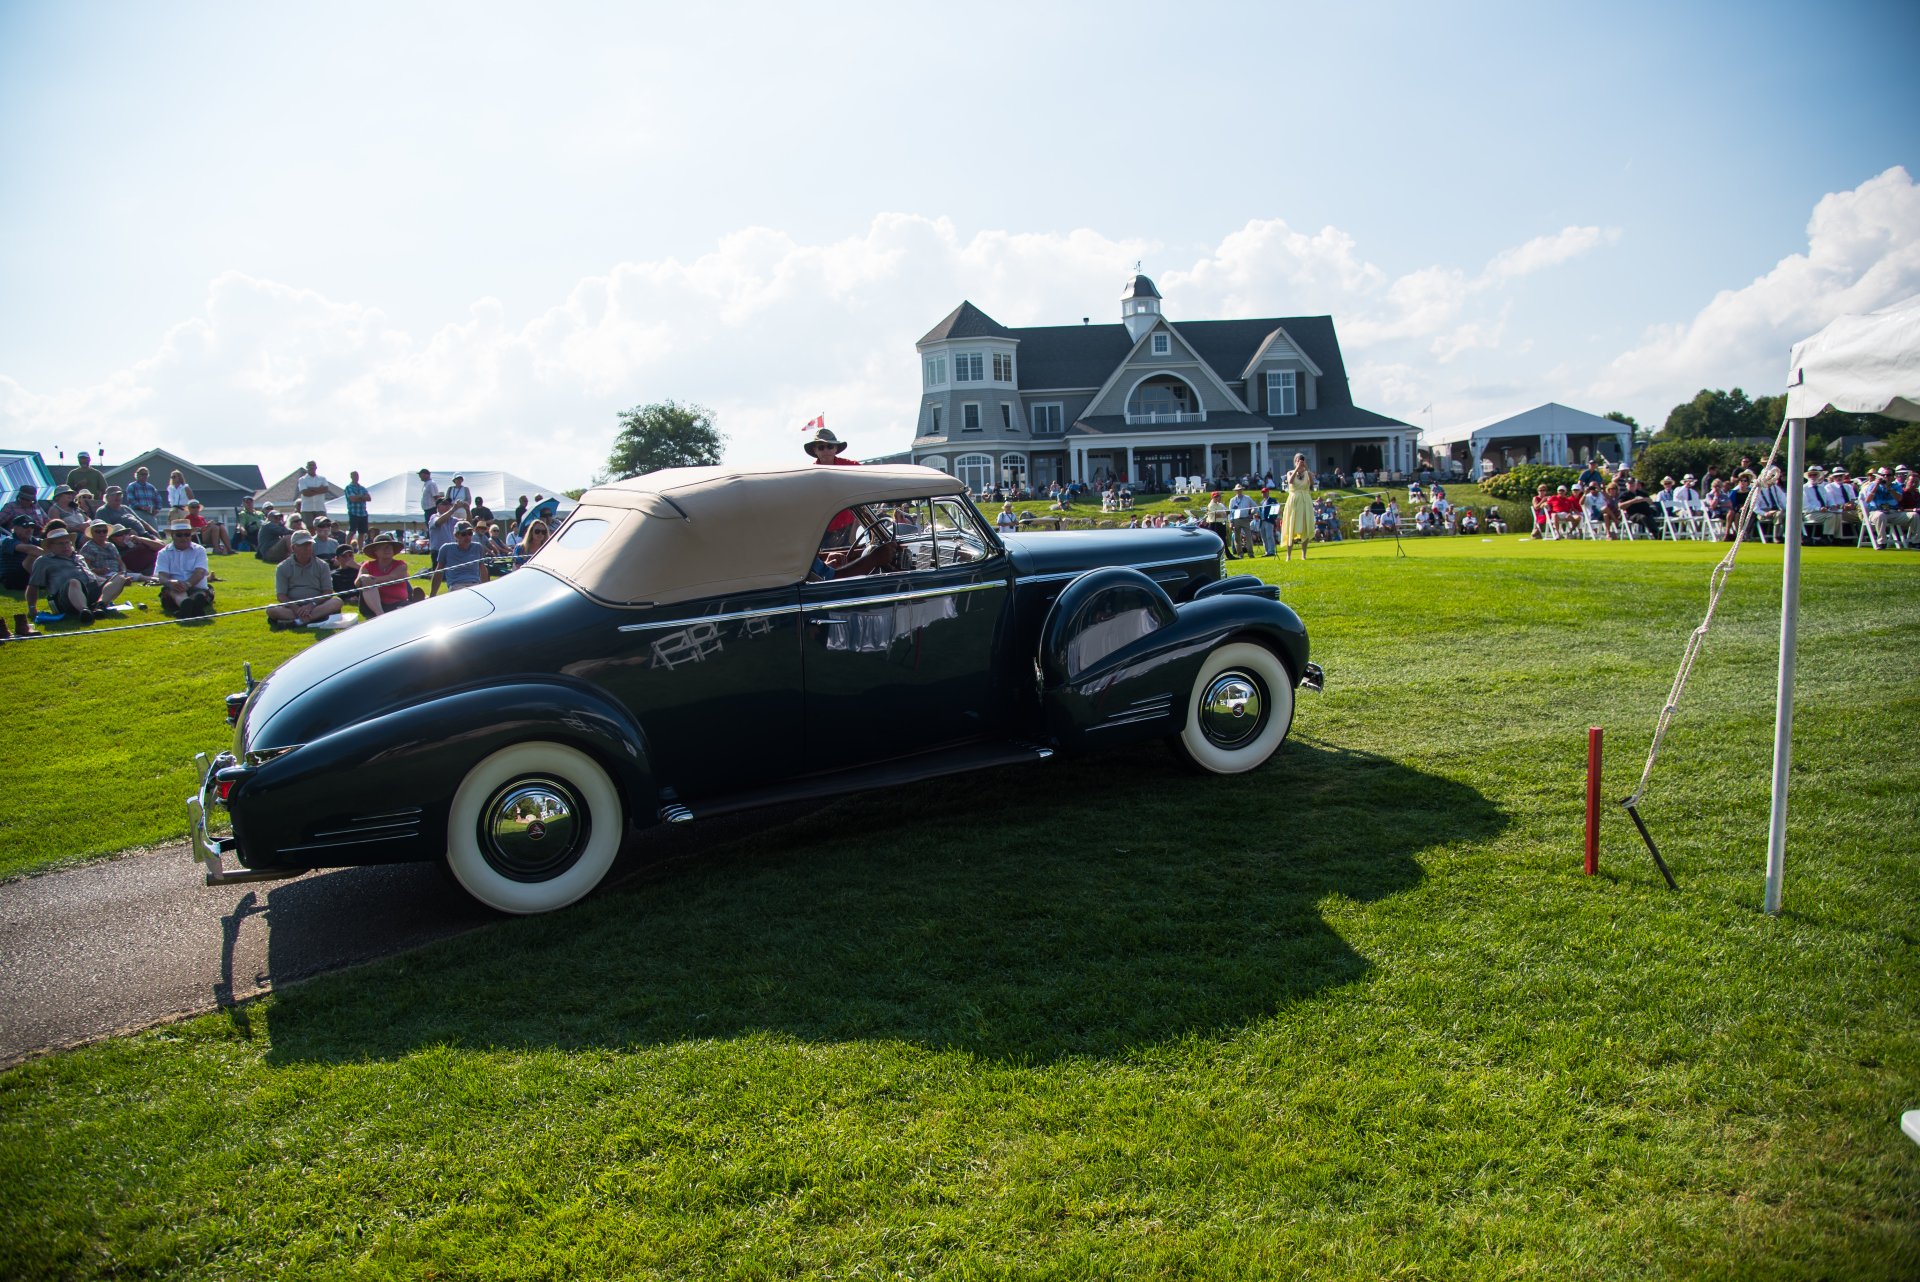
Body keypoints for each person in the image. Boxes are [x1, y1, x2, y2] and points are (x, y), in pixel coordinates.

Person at [27, 524, 127, 622]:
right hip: (65, 597)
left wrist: (109, 583)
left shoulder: (78, 557)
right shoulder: (44, 561)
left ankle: (100, 605)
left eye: (68, 543)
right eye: (61, 543)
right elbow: (33, 585)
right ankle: (84, 611)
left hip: (90, 591)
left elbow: (91, 576)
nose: (66, 546)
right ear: (50, 546)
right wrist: (32, 608)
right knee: (74, 582)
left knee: (119, 577)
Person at [266, 531, 343, 627]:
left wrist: (311, 605)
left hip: (317, 605)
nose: (307, 548)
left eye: (309, 545)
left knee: (337, 602)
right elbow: (281, 595)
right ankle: (315, 618)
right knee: (271, 609)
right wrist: (296, 608)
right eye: (303, 545)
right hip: (293, 608)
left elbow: (328, 591)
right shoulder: (282, 567)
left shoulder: (322, 565)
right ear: (293, 548)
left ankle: (298, 622)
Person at [805, 427, 862, 549]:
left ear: (835, 448)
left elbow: (868, 477)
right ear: (815, 450)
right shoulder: (809, 475)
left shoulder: (851, 467)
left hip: (849, 527)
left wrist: (856, 524)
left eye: (830, 446)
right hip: (823, 530)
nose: (826, 450)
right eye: (821, 447)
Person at [155, 520, 213, 615]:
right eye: (179, 535)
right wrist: (170, 582)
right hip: (175, 588)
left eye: (187, 534)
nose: (184, 538)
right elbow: (162, 576)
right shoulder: (163, 553)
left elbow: (200, 572)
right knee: (175, 592)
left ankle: (188, 605)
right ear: (172, 535)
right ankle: (187, 604)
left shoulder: (199, 550)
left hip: (196, 586)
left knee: (199, 593)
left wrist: (187, 584)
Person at [356, 533, 419, 616]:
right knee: (367, 584)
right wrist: (363, 578)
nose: (388, 549)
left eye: (390, 547)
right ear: (376, 551)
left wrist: (372, 579)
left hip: (397, 603)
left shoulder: (401, 565)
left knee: (370, 582)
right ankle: (380, 614)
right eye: (383, 547)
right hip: (371, 606)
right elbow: (357, 583)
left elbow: (392, 578)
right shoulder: (367, 565)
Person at [430, 522, 490, 595]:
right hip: (456, 585)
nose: (467, 537)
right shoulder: (446, 549)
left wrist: (486, 590)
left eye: (470, 533)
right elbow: (439, 571)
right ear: (456, 535)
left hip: (475, 584)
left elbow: (482, 569)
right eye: (464, 534)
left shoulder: (478, 547)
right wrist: (432, 594)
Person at [1279, 453, 1313, 560]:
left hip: (1305, 500)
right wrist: (1297, 468)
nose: (1300, 462)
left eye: (1302, 460)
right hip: (1294, 501)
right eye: (1298, 460)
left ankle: (1304, 554)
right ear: (1295, 461)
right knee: (1291, 526)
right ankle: (1288, 555)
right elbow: (1290, 481)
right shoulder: (1290, 472)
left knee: (1305, 525)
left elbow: (1312, 482)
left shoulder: (1307, 473)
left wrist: (1306, 468)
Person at [1861, 466, 1902, 546]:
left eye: (1889, 475)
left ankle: (1916, 542)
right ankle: (1881, 542)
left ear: (1893, 477)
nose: (1886, 477)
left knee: (1914, 516)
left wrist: (1889, 488)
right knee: (1880, 515)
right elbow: (1867, 500)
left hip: (1893, 513)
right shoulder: (1872, 485)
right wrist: (1876, 486)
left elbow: (1899, 499)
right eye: (1884, 475)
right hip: (1875, 512)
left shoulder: (1896, 486)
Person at [2, 514, 43, 588]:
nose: (29, 529)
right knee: (33, 554)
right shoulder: (8, 541)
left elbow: (50, 544)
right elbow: (30, 549)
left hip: (27, 575)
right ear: (15, 528)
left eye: (32, 526)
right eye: (25, 526)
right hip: (12, 578)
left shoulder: (34, 540)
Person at [296, 460, 332, 526]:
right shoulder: (302, 479)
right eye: (310, 465)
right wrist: (319, 489)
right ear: (307, 467)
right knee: (309, 528)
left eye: (313, 465)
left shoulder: (322, 478)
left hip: (320, 508)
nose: (312, 467)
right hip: (307, 509)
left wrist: (311, 489)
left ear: (316, 467)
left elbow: (326, 489)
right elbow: (305, 493)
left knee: (323, 527)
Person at [342, 471, 372, 542]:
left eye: (357, 475)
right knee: (352, 531)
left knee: (361, 532)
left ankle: (360, 549)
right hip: (353, 512)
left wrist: (358, 497)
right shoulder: (348, 487)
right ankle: (347, 546)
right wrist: (362, 497)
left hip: (363, 513)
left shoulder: (362, 488)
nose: (356, 477)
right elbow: (352, 499)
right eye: (354, 475)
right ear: (351, 477)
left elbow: (369, 498)